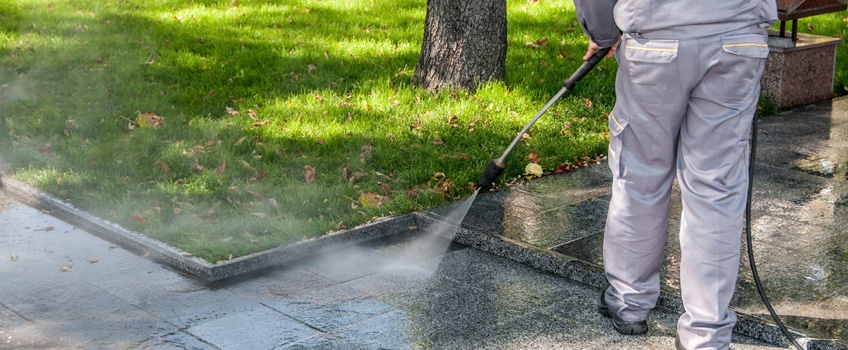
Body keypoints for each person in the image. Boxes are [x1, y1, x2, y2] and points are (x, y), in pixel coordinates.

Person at [572, 0, 778, 349]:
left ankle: (629, 300)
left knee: (640, 174)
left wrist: (604, 33)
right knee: (717, 186)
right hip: (739, 37)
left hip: (656, 36)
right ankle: (707, 332)